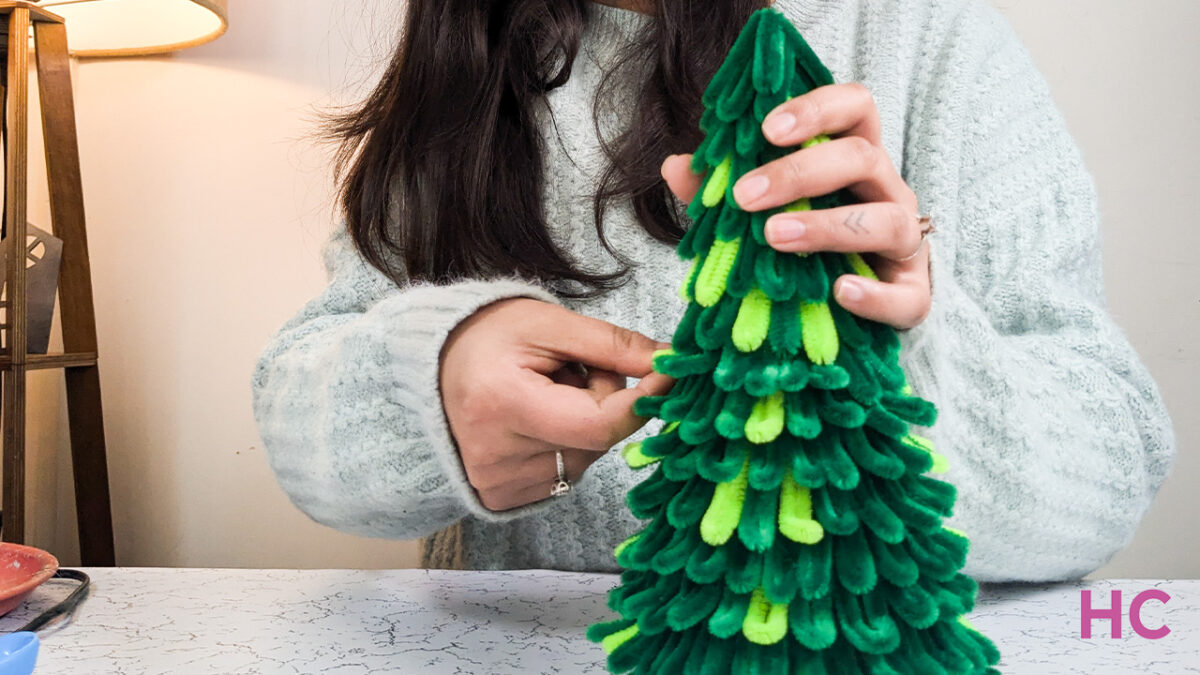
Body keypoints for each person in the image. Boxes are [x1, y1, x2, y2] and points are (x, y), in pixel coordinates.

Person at [250, 0, 1176, 582]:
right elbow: (302, 409)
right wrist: (428, 385)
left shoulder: (933, 38)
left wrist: (887, 353)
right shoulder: (457, 84)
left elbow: (1112, 461)